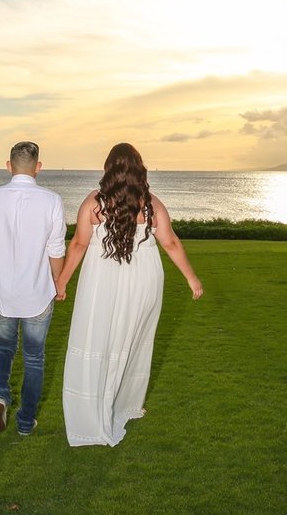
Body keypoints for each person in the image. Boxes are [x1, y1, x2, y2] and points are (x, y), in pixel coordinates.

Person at [55, 142, 203, 447]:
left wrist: (62, 281)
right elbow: (171, 243)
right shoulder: (151, 205)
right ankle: (122, 404)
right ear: (139, 170)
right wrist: (191, 278)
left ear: (107, 170)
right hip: (143, 280)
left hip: (102, 280)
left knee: (97, 338)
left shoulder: (93, 205)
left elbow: (79, 245)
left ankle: (98, 408)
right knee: (133, 341)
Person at [0, 141, 66, 436]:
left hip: (1, 294)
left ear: (8, 166)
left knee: (3, 348)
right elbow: (56, 250)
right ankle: (25, 422)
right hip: (38, 294)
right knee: (34, 357)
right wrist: (59, 283)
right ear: (38, 167)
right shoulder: (52, 201)